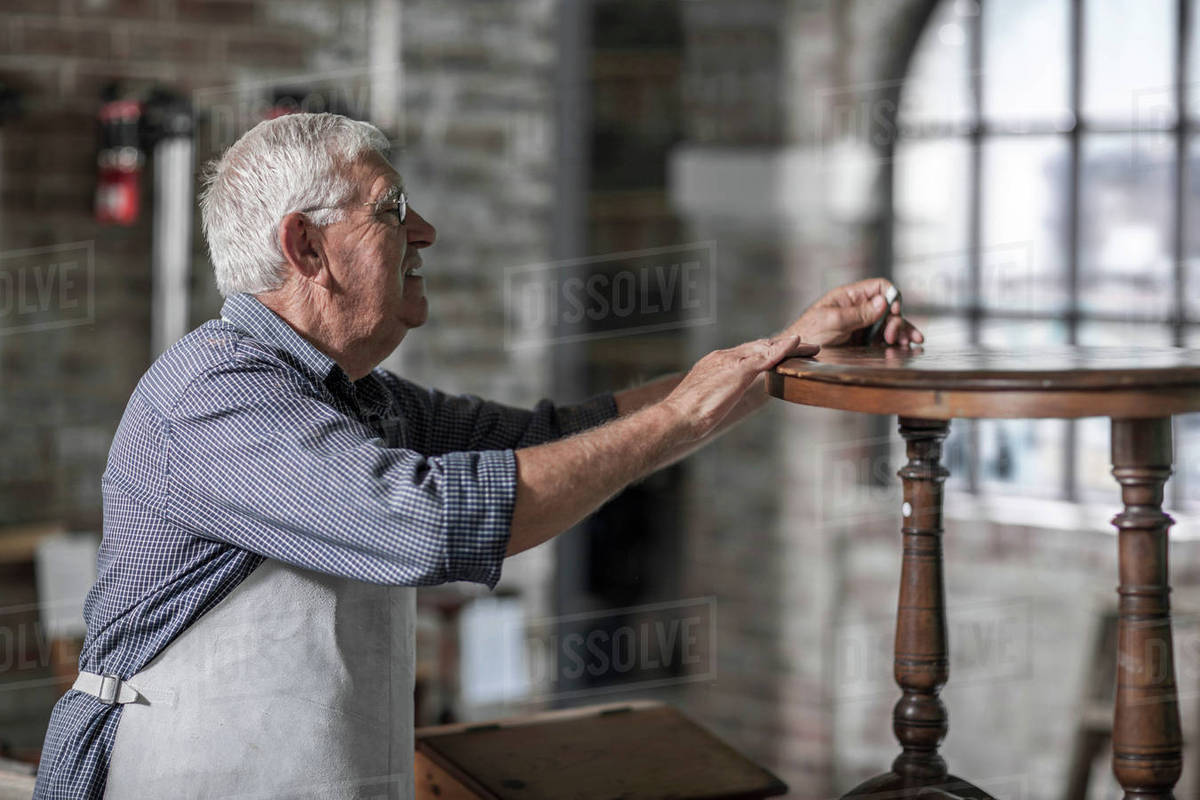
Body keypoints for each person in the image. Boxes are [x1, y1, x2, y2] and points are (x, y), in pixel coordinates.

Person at [33, 113, 921, 800]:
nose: (424, 233)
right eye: (391, 211)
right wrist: (684, 417)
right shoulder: (217, 393)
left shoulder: (359, 395)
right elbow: (421, 524)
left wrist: (779, 356)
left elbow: (549, 441)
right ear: (305, 247)